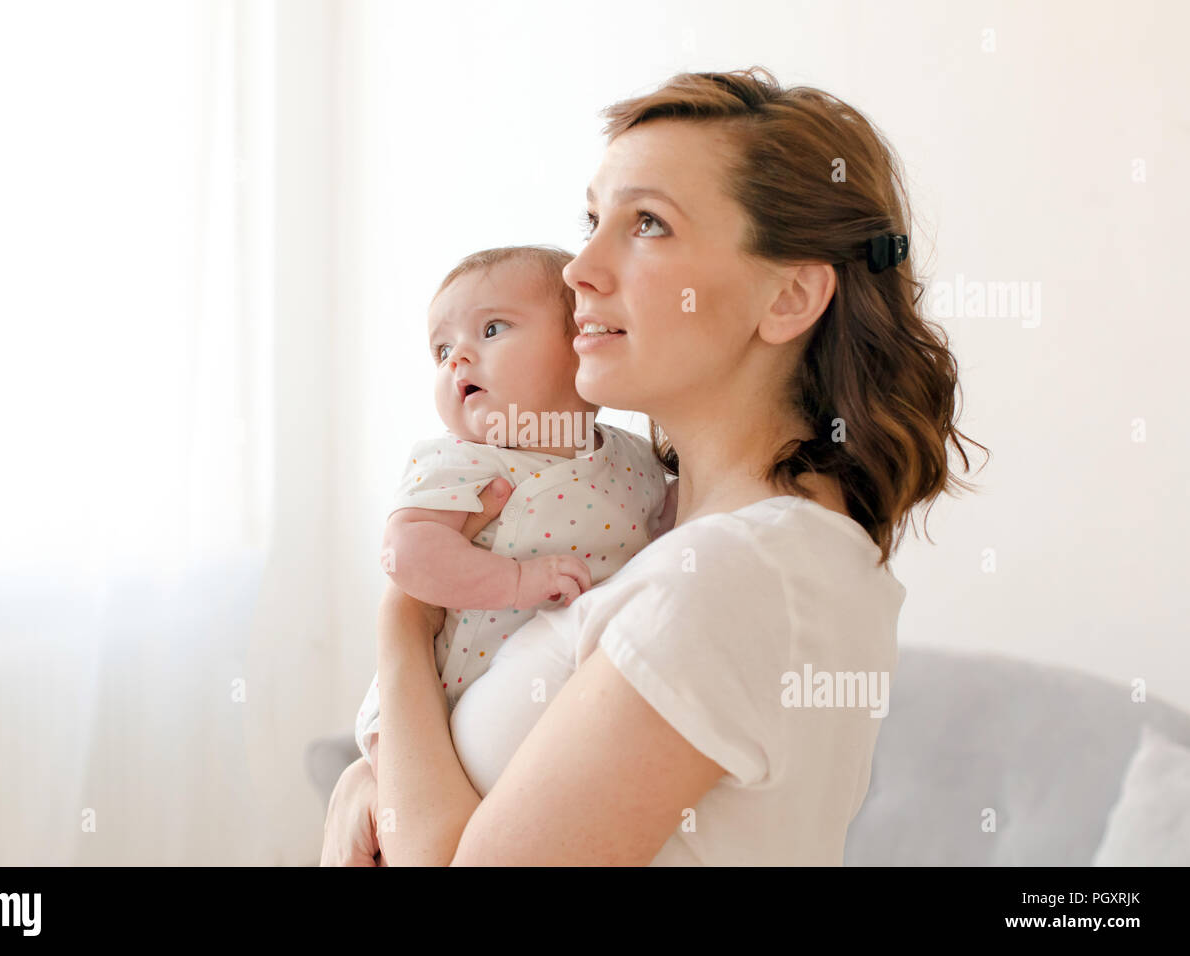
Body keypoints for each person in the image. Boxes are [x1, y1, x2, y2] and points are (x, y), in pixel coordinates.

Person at [321, 66, 986, 866]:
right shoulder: (671, 539)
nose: (578, 270)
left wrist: (401, 621)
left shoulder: (737, 574)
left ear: (788, 299)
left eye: (648, 225)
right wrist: (370, 781)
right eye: (593, 218)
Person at [352, 245, 674, 772]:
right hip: (430, 708)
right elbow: (405, 552)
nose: (457, 358)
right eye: (441, 350)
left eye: (492, 329)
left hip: (541, 724)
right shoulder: (461, 459)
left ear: (582, 340)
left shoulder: (632, 458)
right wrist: (516, 583)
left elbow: (666, 524)